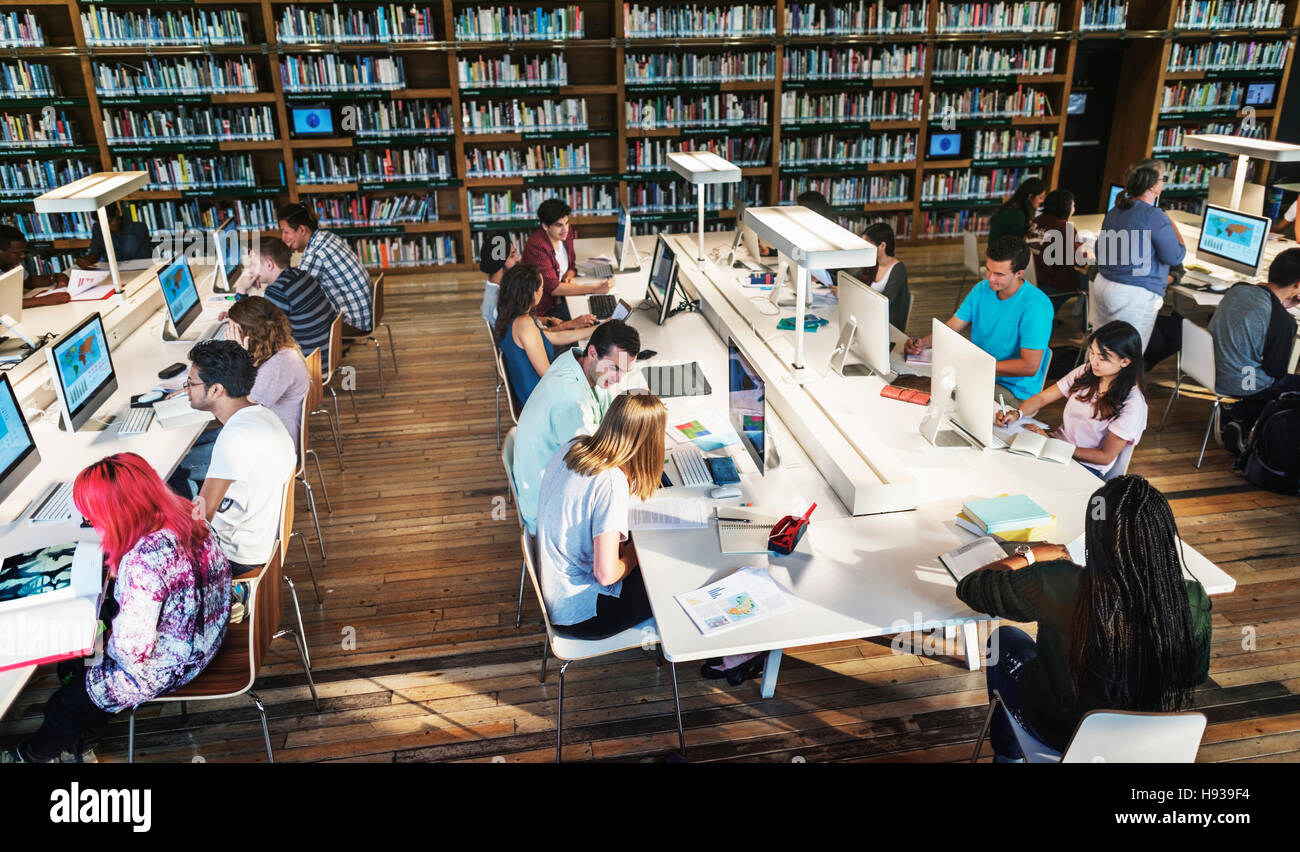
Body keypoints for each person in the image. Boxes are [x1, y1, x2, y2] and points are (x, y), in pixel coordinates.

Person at [957, 475, 1211, 760]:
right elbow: (1193, 674)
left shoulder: (1060, 583)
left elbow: (972, 586)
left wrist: (1030, 555)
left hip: (1058, 734)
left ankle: (1009, 756)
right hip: (1143, 745)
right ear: (1162, 538)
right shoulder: (1191, 599)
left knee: (1005, 640)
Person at [2, 454, 229, 764]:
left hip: (174, 664)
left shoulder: (142, 562)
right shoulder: (188, 513)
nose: (93, 524)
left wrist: (95, 639)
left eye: (93, 516)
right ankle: (83, 737)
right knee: (79, 667)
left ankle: (34, 755)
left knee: (65, 703)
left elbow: (130, 654)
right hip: (209, 634)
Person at [536, 392, 664, 639]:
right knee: (666, 574)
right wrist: (632, 558)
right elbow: (605, 574)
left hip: (557, 591)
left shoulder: (575, 446)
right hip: (583, 613)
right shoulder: (611, 481)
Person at [512, 319, 641, 534]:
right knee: (634, 518)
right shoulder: (571, 402)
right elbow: (591, 470)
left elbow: (606, 411)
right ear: (592, 352)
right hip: (548, 509)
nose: (618, 379)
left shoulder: (577, 363)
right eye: (615, 368)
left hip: (555, 479)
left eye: (624, 371)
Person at [183, 340, 296, 575]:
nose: (186, 389)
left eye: (191, 383)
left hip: (238, 558)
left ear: (216, 389)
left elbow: (201, 519)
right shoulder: (264, 414)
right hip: (262, 541)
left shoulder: (234, 438)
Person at [905, 236, 1053, 405]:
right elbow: (953, 326)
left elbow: (1030, 366)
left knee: (942, 398)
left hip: (1012, 390)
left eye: (999, 274)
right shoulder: (982, 289)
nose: (990, 278)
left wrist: (979, 367)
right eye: (988, 269)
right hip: (978, 374)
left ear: (1019, 273)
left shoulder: (1036, 306)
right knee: (921, 385)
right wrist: (922, 343)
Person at [995, 321, 1148, 478]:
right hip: (1055, 449)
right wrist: (1017, 413)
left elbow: (1104, 457)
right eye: (1092, 352)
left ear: (1125, 361)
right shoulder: (1088, 372)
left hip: (1085, 467)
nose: (1093, 361)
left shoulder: (1133, 404)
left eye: (1102, 358)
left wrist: (1053, 445)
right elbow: (1043, 397)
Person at [1210, 248, 1300, 454]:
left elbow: (1261, 311)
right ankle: (1244, 419)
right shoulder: (1284, 323)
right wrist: (1281, 317)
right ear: (1297, 285)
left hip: (1212, 371)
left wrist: (1281, 306)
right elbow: (1275, 373)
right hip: (1244, 383)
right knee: (1285, 384)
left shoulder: (1237, 289)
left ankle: (1238, 416)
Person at [1092, 163, 1186, 350]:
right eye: (1162, 179)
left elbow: (1099, 249)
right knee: (1127, 357)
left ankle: (1087, 380)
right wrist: (1171, 224)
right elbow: (1176, 256)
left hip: (1103, 285)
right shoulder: (1154, 215)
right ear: (1152, 186)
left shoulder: (1115, 210)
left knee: (1099, 351)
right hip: (1133, 294)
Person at [495, 264, 596, 407]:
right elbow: (547, 374)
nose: (543, 290)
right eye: (541, 288)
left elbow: (557, 337)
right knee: (597, 382)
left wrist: (597, 329)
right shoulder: (524, 325)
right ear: (532, 294)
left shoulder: (511, 315)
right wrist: (581, 378)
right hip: (539, 401)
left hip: (530, 393)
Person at [233, 236, 337, 372]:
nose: (250, 270)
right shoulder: (301, 275)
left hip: (312, 366)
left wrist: (241, 291)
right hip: (325, 355)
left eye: (253, 264)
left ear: (269, 265)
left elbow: (256, 333)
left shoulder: (278, 291)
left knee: (246, 354)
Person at [226, 296, 310, 451]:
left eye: (232, 329)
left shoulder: (278, 365)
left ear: (250, 335)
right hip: (264, 429)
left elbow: (237, 409)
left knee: (187, 461)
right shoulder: (278, 347)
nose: (227, 334)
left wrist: (238, 357)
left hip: (273, 447)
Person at [277, 203, 372, 334]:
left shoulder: (315, 252)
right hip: (364, 314)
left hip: (353, 323)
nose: (283, 238)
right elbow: (301, 273)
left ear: (302, 230)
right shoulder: (326, 236)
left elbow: (295, 289)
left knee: (295, 319)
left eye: (286, 232)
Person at [521, 198, 613, 321]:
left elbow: (571, 266)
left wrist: (568, 276)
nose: (565, 229)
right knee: (594, 318)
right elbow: (553, 288)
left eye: (567, 223)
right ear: (545, 226)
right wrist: (595, 288)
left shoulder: (566, 234)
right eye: (559, 225)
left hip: (561, 298)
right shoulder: (536, 247)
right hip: (543, 311)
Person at [1025, 188, 1088, 296]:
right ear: (1066, 208)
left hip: (1033, 277)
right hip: (1052, 282)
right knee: (1094, 282)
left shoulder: (1037, 220)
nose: (1074, 209)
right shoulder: (1064, 227)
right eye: (1073, 205)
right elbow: (1080, 261)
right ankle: (1085, 312)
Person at [861, 221, 910, 331]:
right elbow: (855, 282)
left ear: (882, 246)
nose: (864, 248)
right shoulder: (872, 263)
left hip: (886, 327)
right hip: (869, 319)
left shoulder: (898, 269)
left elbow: (885, 302)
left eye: (867, 245)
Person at [76, 204, 153, 269]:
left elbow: (145, 260)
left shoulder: (139, 228)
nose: (107, 226)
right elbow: (95, 253)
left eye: (109, 221)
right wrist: (83, 260)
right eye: (102, 223)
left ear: (117, 213)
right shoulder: (98, 228)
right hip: (112, 274)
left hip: (138, 272)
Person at [987, 177, 1047, 249]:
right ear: (1030, 197)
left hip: (995, 254)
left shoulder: (1011, 207)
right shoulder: (1017, 216)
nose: (1042, 201)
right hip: (1002, 256)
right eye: (1041, 197)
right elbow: (1016, 248)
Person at [479, 232, 521, 327]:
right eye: (512, 256)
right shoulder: (497, 303)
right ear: (499, 265)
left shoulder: (501, 289)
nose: (518, 259)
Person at [797, 190, 836, 287]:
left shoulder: (831, 235)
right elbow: (795, 250)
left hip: (828, 289)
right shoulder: (806, 229)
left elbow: (835, 273)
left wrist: (818, 278)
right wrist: (770, 251)